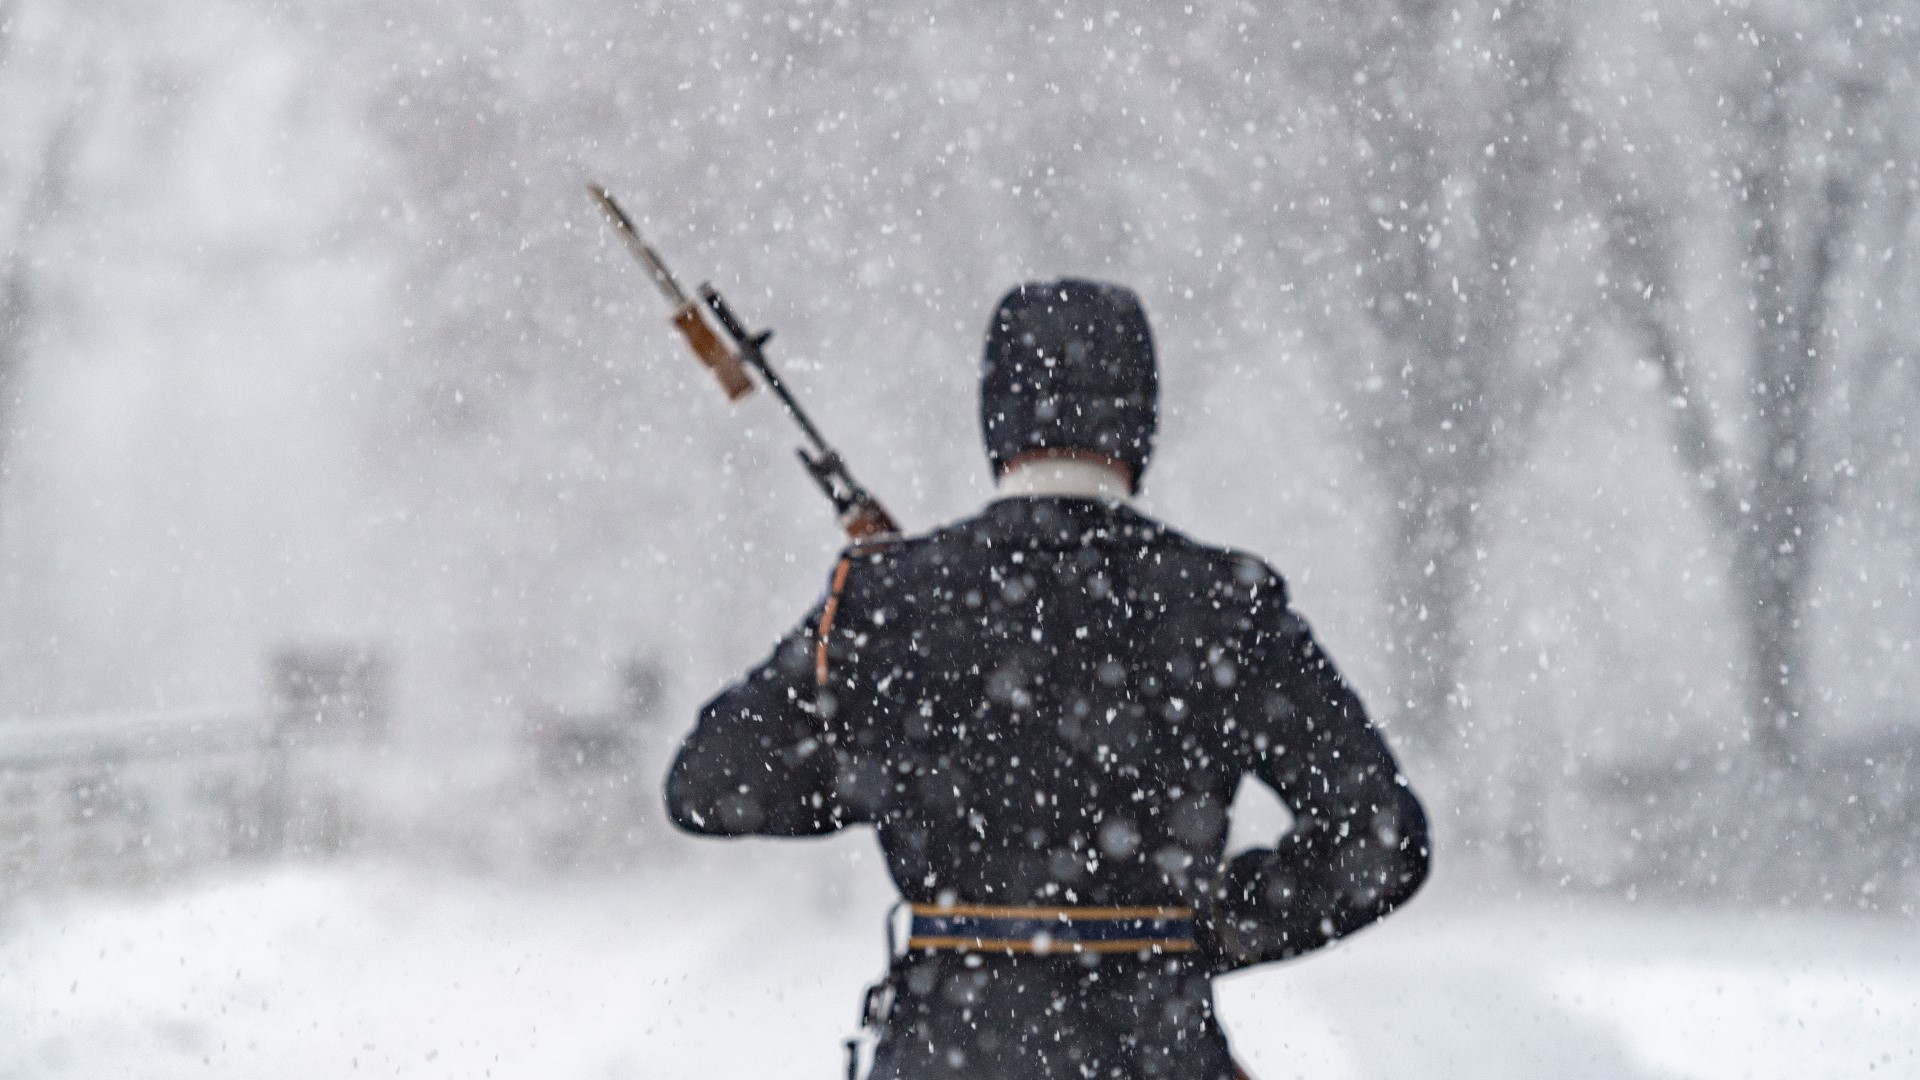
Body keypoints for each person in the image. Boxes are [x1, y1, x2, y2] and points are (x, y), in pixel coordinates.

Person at [666, 279, 1430, 1080]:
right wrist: (1193, 929)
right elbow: (1383, 837)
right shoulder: (1224, 605)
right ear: (1141, 416)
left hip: (947, 1055)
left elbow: (710, 786)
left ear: (996, 412)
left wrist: (881, 734)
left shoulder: (892, 598)